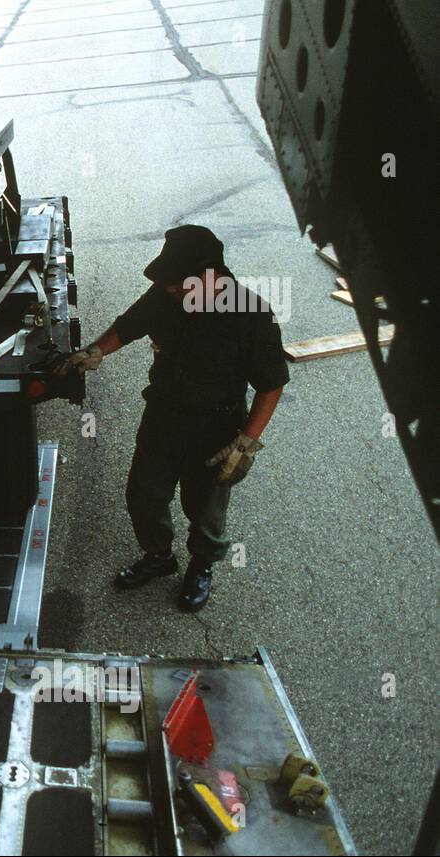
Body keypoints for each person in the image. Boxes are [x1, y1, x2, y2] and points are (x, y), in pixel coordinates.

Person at [58, 225, 288, 611]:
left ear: (209, 278)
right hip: (162, 416)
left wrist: (246, 443)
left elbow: (272, 384)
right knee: (144, 495)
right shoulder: (168, 294)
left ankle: (201, 566)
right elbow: (128, 326)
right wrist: (97, 350)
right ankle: (159, 556)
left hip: (216, 428)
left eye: (176, 283)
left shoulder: (250, 314)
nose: (167, 289)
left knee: (205, 507)